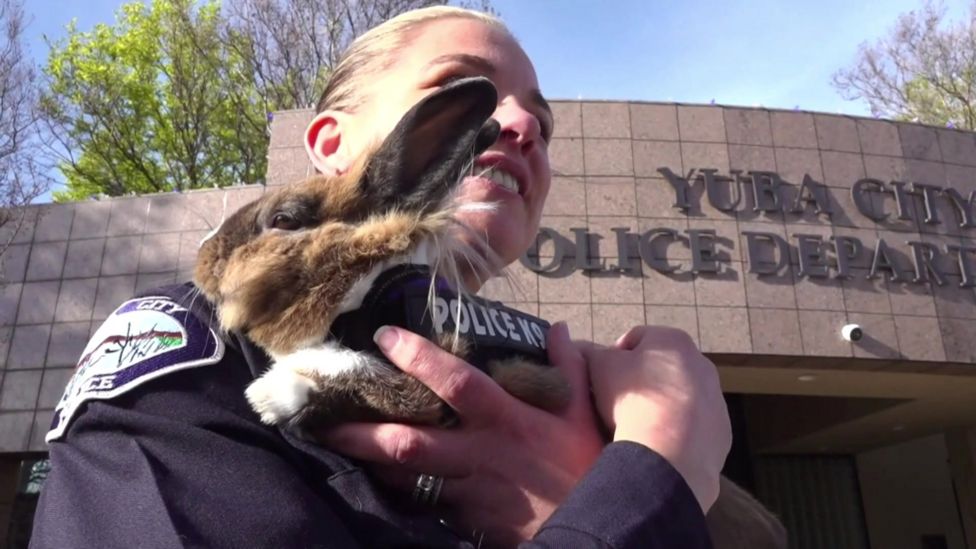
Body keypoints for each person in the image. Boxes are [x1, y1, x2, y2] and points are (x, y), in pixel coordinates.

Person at [30, 6, 731, 548]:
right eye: (462, 88)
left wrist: (594, 485)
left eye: (543, 126)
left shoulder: (565, 382)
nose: (521, 123)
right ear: (331, 143)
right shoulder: (194, 355)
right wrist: (651, 476)